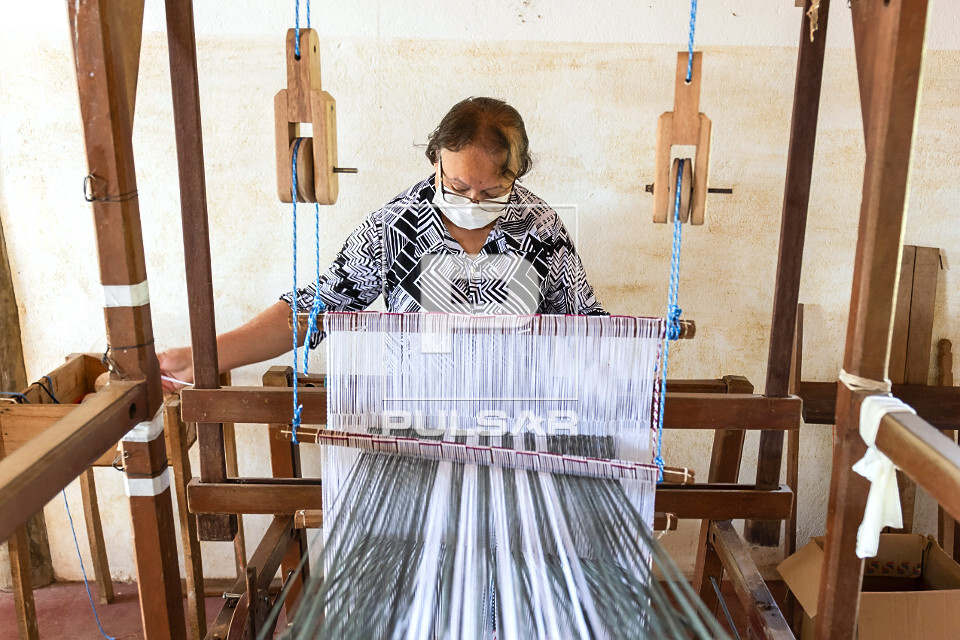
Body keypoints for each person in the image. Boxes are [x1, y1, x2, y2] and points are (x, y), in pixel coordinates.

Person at [159, 97, 604, 390]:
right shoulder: (398, 227)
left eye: (490, 191)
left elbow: (590, 328)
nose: (472, 200)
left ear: (518, 172)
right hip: (416, 426)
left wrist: (638, 367)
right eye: (457, 184)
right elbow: (317, 308)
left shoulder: (540, 228)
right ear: (435, 159)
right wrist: (205, 357)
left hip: (517, 425)